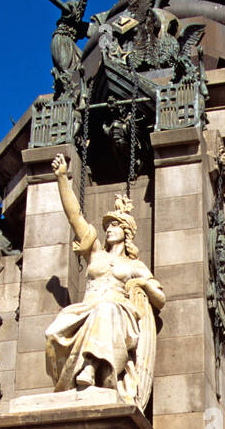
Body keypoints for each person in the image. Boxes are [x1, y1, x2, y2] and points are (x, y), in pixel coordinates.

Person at [44, 155, 165, 403]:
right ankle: (76, 371)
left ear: (127, 232)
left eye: (115, 225)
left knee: (107, 310)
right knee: (55, 331)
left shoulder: (135, 266)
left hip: (118, 312)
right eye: (107, 225)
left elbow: (160, 299)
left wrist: (142, 284)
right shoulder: (95, 254)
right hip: (88, 307)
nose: (108, 229)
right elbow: (74, 216)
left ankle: (89, 366)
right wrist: (61, 179)